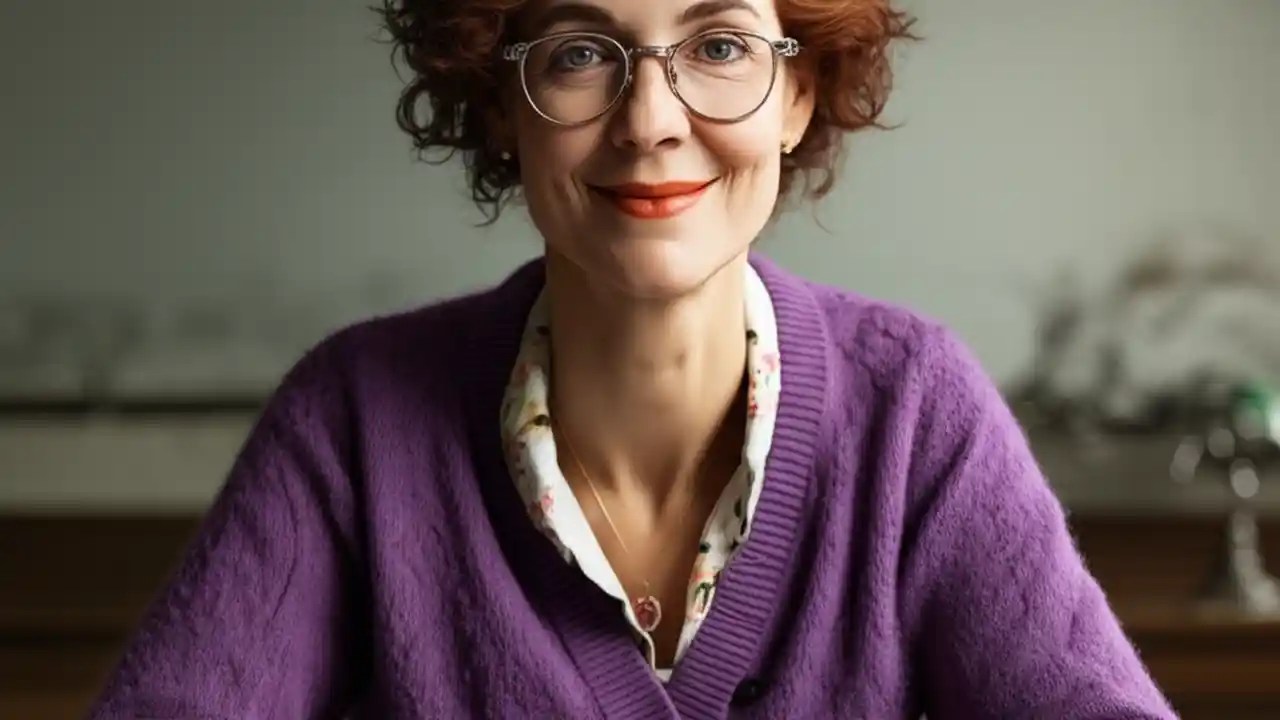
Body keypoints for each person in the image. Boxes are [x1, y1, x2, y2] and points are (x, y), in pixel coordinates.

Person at [88, 0, 1176, 718]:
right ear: (503, 107)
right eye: (575, 53)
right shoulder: (353, 417)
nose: (650, 120)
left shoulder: (913, 407)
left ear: (796, 96)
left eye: (717, 47)